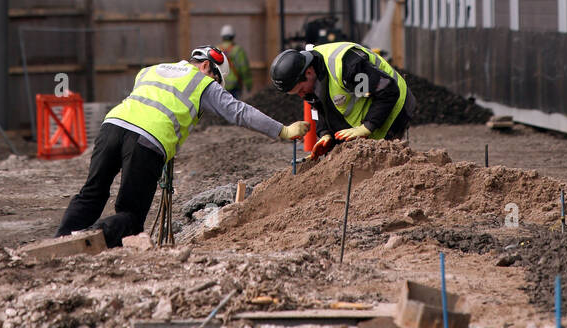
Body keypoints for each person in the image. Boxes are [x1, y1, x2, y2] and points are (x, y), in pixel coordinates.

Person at [55, 46, 308, 247]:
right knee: (130, 217)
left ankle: (60, 242)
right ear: (207, 65)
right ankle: (92, 237)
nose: (216, 86)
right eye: (217, 79)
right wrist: (282, 130)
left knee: (92, 192)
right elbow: (239, 112)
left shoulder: (150, 70)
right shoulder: (203, 83)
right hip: (147, 141)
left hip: (111, 126)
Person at [269, 39, 416, 159]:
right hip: (370, 112)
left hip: (396, 106)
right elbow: (321, 107)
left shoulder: (346, 67)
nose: (302, 96)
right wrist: (325, 134)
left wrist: (367, 127)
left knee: (373, 163)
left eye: (301, 90)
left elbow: (387, 91)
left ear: (308, 72)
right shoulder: (312, 77)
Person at [219, 24, 253, 99]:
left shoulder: (216, 50)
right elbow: (244, 69)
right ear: (233, 36)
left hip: (220, 86)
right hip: (234, 87)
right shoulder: (238, 50)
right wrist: (248, 85)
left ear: (222, 36)